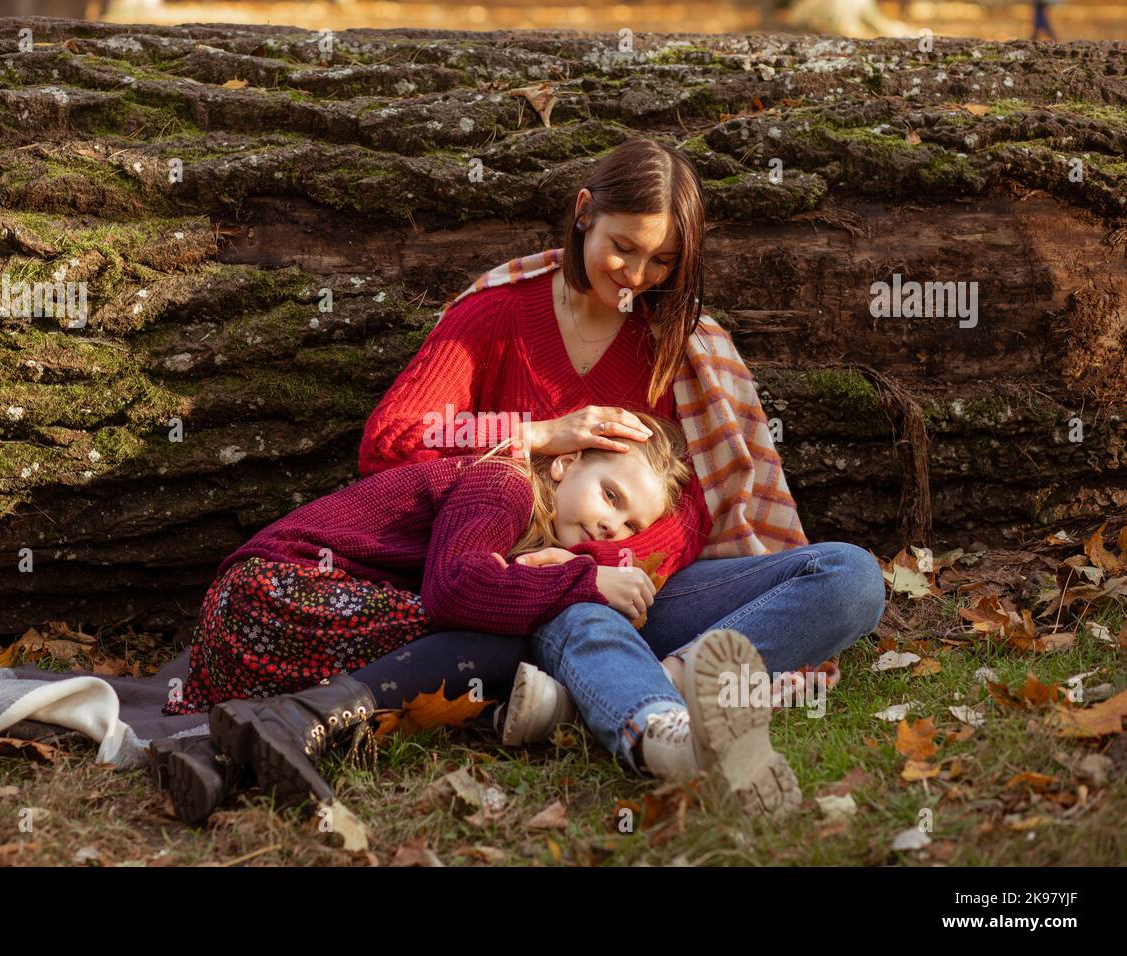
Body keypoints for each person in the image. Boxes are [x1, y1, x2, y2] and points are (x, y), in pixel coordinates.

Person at [152, 136, 885, 823]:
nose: (636, 277)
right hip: (517, 589)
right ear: (583, 213)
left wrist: (600, 560)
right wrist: (531, 437)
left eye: (661, 263)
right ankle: (652, 719)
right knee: (562, 613)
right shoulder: (498, 316)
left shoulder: (672, 346)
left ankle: (647, 685)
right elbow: (390, 443)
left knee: (849, 578)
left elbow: (687, 509)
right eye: (624, 248)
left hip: (631, 583)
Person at [153, 410, 719, 825]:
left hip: (256, 628)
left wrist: (548, 573)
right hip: (275, 594)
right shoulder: (503, 484)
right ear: (564, 465)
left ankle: (215, 757)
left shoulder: (524, 522)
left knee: (490, 630)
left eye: (627, 527)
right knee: (497, 638)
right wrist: (582, 579)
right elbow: (456, 591)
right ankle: (287, 723)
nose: (609, 529)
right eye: (611, 496)